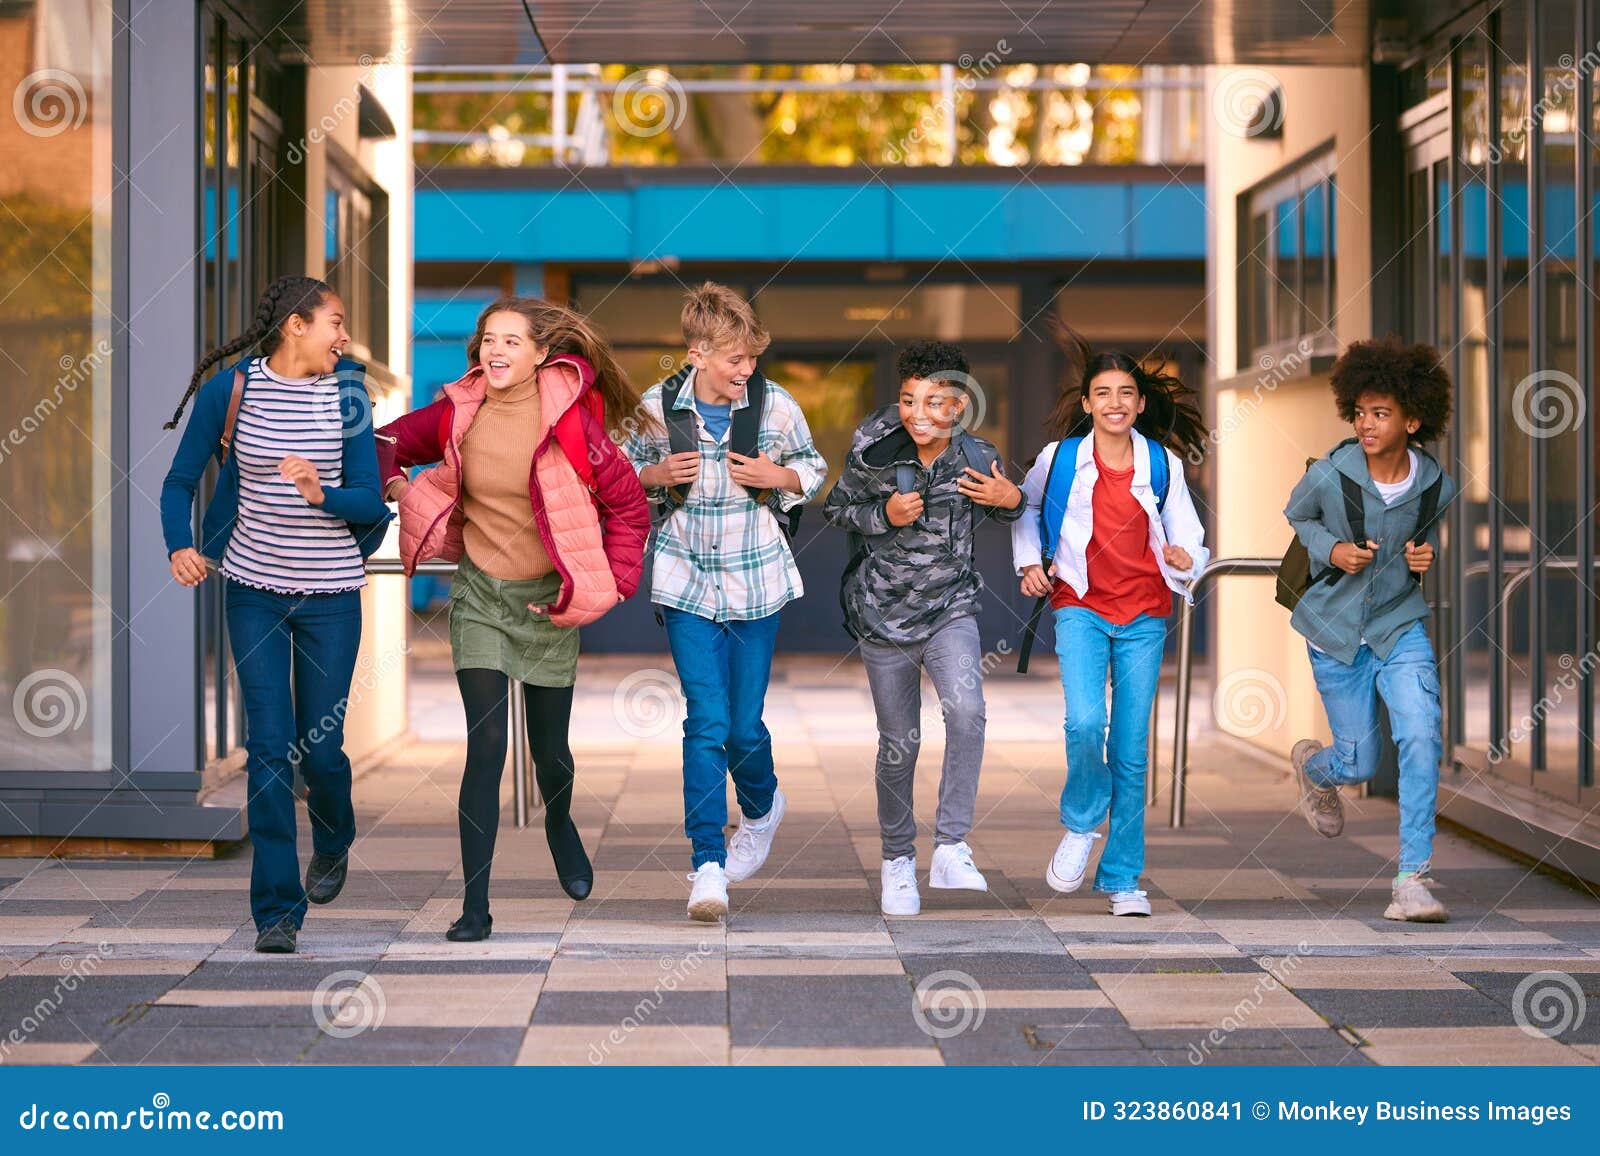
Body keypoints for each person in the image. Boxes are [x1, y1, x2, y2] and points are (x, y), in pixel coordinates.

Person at [377, 297, 651, 942]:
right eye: (487, 340)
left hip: (547, 603)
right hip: (480, 599)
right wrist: (400, 490)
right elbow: (386, 442)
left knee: (550, 754)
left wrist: (602, 589)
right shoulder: (457, 412)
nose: (495, 351)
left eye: (510, 341)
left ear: (539, 354)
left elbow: (630, 509)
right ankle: (475, 906)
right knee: (486, 748)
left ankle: (559, 821)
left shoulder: (574, 422)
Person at [160, 275, 392, 954]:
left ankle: (335, 833)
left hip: (330, 598)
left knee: (320, 749)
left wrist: (323, 494)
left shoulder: (348, 396)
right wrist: (180, 544)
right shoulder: (232, 391)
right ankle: (276, 912)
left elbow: (371, 504)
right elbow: (180, 480)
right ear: (296, 324)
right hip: (253, 592)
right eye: (335, 324)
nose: (343, 338)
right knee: (268, 748)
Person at [621, 282, 827, 922]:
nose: (746, 370)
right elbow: (610, 476)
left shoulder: (775, 406)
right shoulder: (654, 409)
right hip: (685, 582)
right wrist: (651, 476)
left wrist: (782, 477)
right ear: (697, 353)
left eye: (751, 358)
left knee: (743, 727)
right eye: (734, 359)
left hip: (757, 581)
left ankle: (762, 806)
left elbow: (814, 468)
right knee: (705, 722)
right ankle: (707, 863)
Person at [1012, 326, 1209, 917]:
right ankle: (1080, 822)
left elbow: (1191, 537)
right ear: (1088, 403)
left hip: (1146, 614)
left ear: (1141, 403)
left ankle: (1123, 877)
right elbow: (1025, 508)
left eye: (1126, 393)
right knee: (1083, 721)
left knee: (1130, 749)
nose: (1116, 403)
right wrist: (1028, 564)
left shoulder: (1162, 462)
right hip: (1080, 606)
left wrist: (1185, 557)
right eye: (1103, 393)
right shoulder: (1060, 458)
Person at [824, 340, 1023, 916]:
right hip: (881, 615)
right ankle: (896, 861)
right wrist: (882, 515)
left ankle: (951, 845)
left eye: (934, 402)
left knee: (966, 712)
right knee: (898, 744)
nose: (917, 414)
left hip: (950, 611)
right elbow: (837, 509)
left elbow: (1009, 510)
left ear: (958, 405)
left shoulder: (977, 456)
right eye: (908, 400)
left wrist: (1010, 499)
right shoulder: (874, 447)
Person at [1284, 336, 1456, 923]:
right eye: (1359, 412)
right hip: (1333, 630)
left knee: (1421, 735)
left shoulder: (1436, 483)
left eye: (1380, 414)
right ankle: (1314, 767)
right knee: (1359, 763)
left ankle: (1412, 879)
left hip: (1399, 624)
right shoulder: (1330, 474)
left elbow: (1423, 537)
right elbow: (1296, 515)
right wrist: (1332, 549)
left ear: (1412, 419)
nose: (1366, 424)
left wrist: (1422, 556)